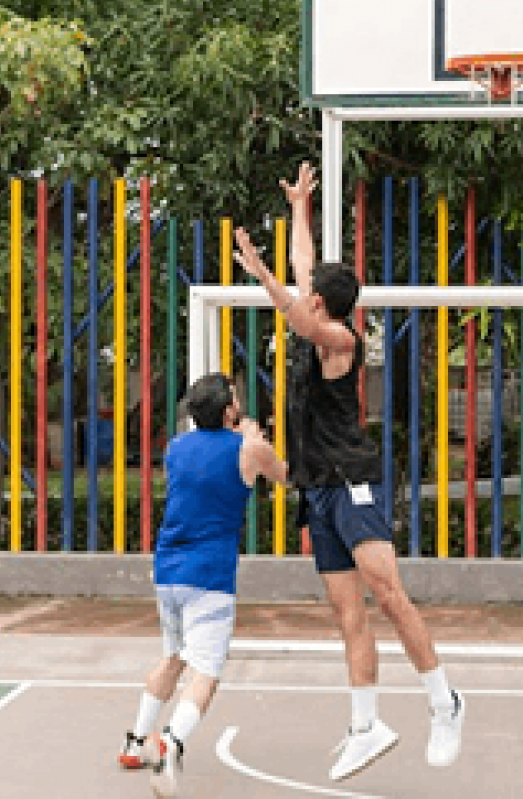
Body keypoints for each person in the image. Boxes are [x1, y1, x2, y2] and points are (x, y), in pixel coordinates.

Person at [230, 161, 465, 782]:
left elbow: (297, 314)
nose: (302, 292)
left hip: (353, 479)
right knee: (346, 610)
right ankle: (367, 726)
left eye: (308, 293)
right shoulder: (319, 314)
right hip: (320, 487)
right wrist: (300, 209)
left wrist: (259, 275)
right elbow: (305, 273)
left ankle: (445, 703)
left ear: (324, 306)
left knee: (387, 593)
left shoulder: (341, 342)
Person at [118, 372, 289, 798]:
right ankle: (172, 744)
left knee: (173, 655)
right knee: (206, 672)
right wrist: (252, 435)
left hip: (169, 569)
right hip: (209, 575)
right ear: (230, 408)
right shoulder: (248, 449)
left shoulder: (176, 449)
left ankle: (136, 741)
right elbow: (285, 476)